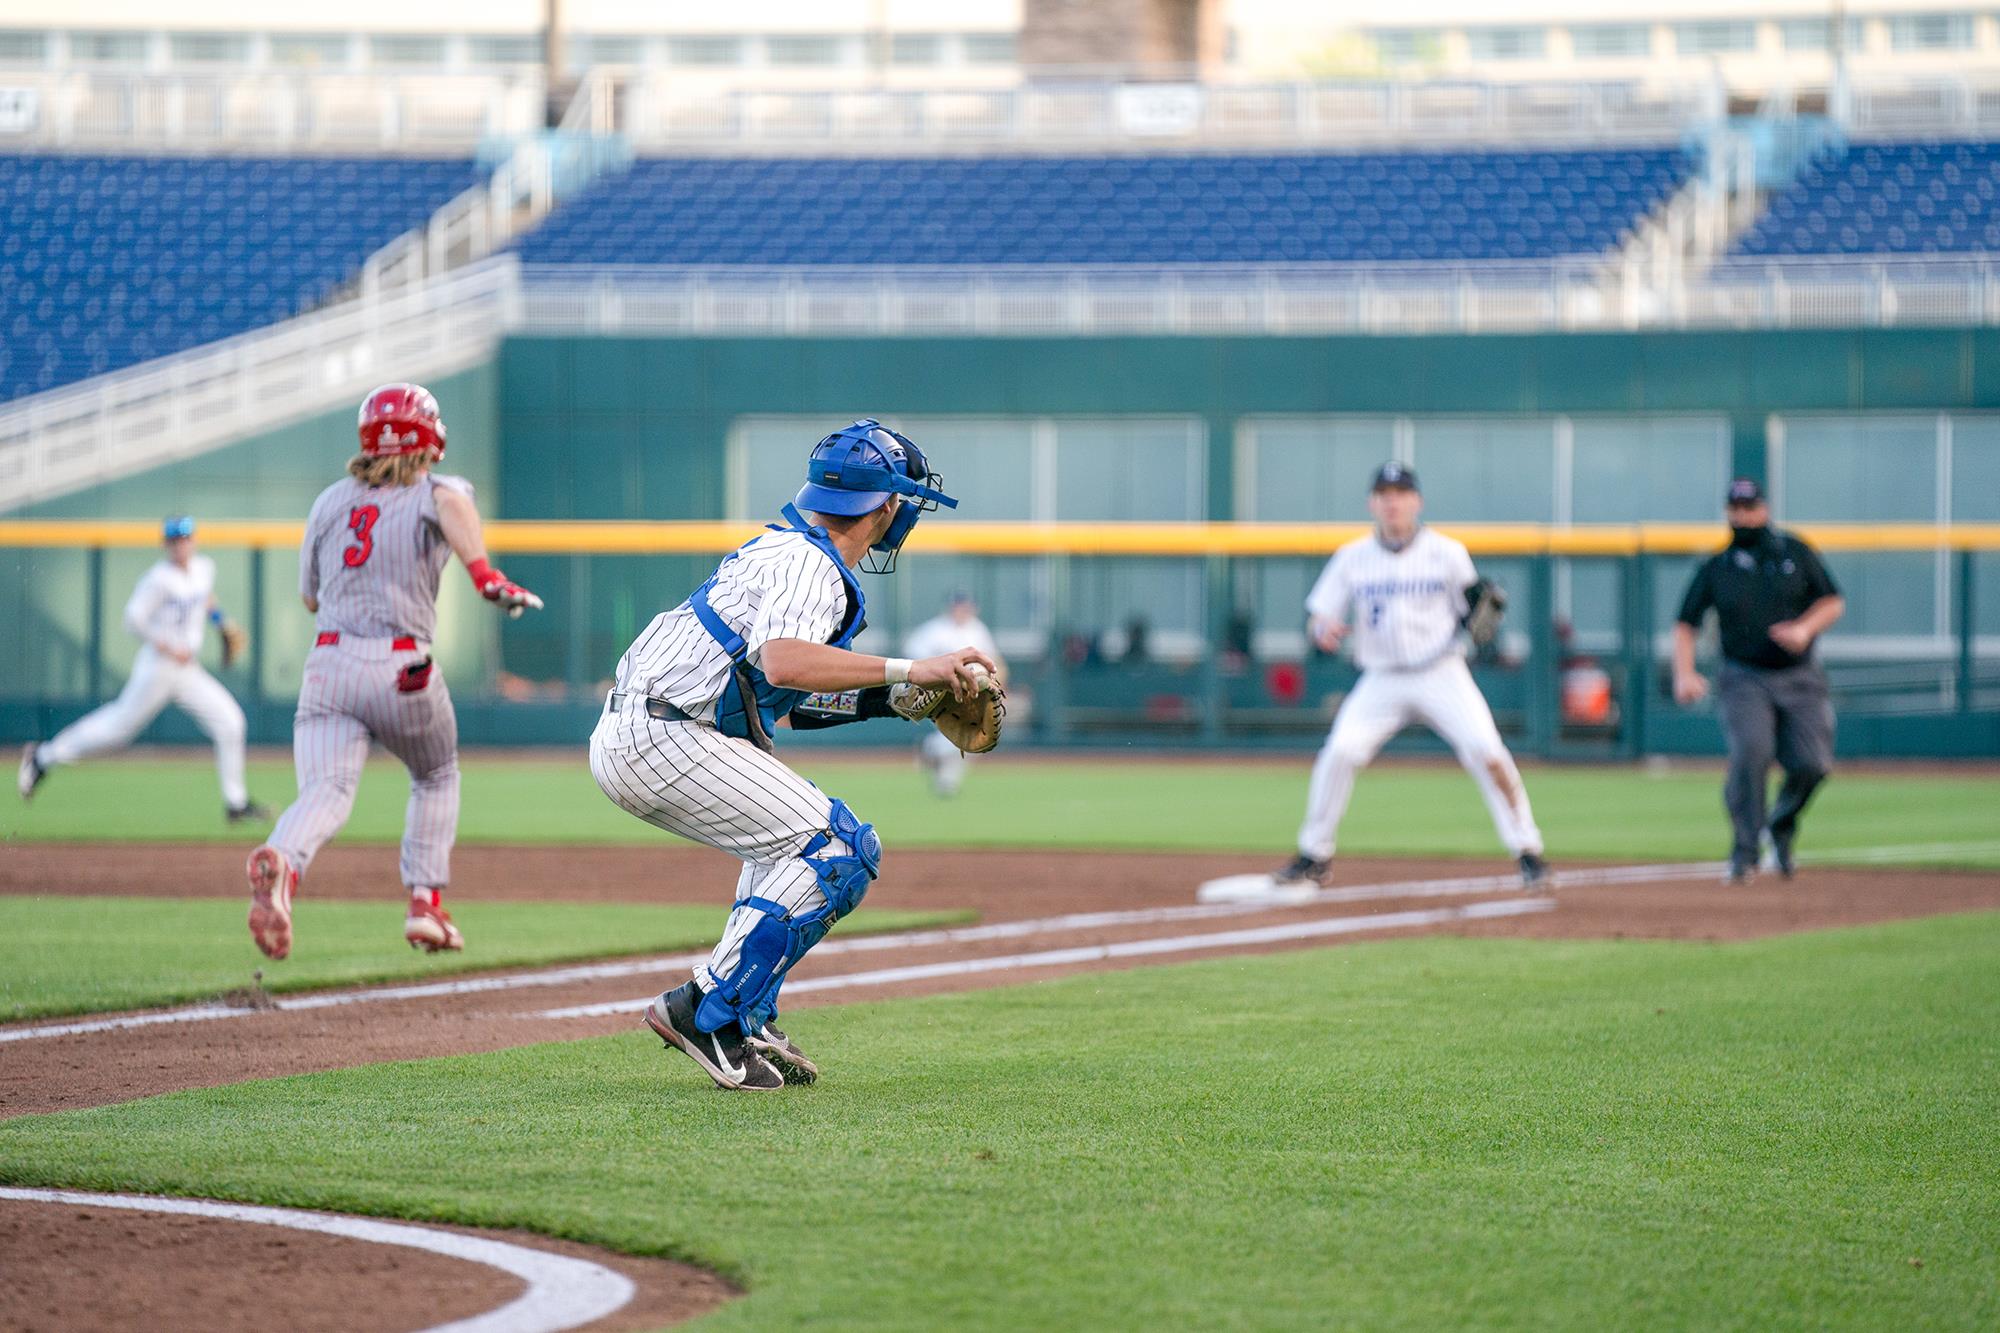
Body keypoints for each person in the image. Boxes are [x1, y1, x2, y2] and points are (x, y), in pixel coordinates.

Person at [589, 419, 995, 1093]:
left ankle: (740, 1010)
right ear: (888, 506)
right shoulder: (812, 565)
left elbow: (783, 693)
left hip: (655, 728)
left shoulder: (786, 549)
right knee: (840, 847)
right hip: (665, 735)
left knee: (788, 846)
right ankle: (707, 1009)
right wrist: (911, 668)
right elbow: (784, 658)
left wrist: (889, 697)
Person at [244, 383, 544, 962]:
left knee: (326, 791)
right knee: (436, 774)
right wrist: (484, 575)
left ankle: (284, 860)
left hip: (328, 663)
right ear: (430, 440)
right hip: (400, 663)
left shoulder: (331, 500)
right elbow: (452, 504)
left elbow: (308, 598)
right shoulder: (437, 488)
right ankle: (425, 904)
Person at [1274, 461, 1548, 887]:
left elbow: (1478, 619)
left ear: (1417, 501)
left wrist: (1485, 624)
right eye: (1384, 494)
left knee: (1486, 750)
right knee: (1341, 752)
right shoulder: (1352, 558)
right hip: (1381, 678)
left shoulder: (1447, 553)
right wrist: (1321, 628)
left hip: (1440, 670)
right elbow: (1318, 617)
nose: (1392, 502)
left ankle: (1528, 850)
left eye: (1401, 494)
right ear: (1372, 504)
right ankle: (1315, 855)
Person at [17, 516, 267, 824]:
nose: (181, 545)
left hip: (188, 671)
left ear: (194, 540)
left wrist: (222, 624)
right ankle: (42, 757)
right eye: (175, 540)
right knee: (116, 730)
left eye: (185, 538)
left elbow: (205, 600)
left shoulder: (204, 568)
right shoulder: (158, 579)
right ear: (165, 545)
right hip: (158, 669)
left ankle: (236, 803)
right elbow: (132, 619)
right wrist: (164, 644)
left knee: (231, 723)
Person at [1671, 477, 1844, 884]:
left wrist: (1804, 628)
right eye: (1735, 508)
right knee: (1752, 752)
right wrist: (1684, 671)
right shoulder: (1718, 566)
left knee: (1813, 764)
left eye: (1749, 507)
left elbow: (1832, 600)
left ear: (1764, 509)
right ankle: (1744, 851)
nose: (1742, 515)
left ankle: (1780, 824)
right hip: (1743, 677)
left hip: (1799, 675)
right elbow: (1685, 623)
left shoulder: (1795, 552)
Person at [903, 592, 1006, 797]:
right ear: (951, 607)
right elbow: (912, 655)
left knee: (975, 735)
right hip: (939, 693)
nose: (962, 611)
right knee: (961, 734)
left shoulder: (978, 629)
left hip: (973, 693)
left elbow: (994, 661)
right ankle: (938, 764)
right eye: (959, 606)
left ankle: (938, 764)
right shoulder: (935, 630)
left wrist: (1000, 687)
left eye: (966, 607)